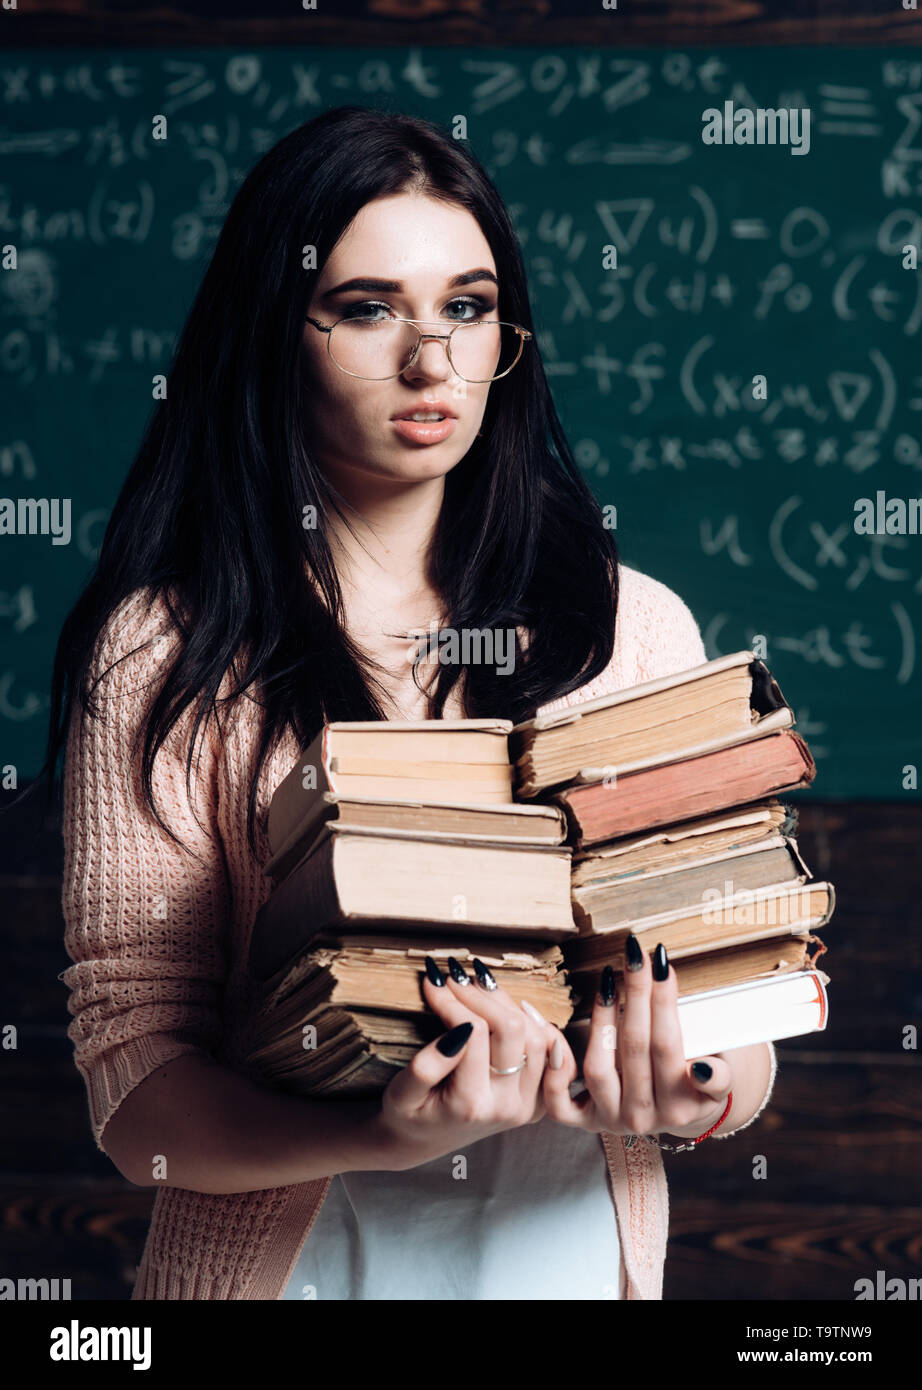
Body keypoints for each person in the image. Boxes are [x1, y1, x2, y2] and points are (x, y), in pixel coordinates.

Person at [43, 107, 776, 1301]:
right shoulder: (166, 651)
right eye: (370, 308)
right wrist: (383, 1134)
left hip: (572, 1266)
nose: (432, 360)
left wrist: (698, 1089)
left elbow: (734, 1011)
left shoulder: (636, 627)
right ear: (279, 330)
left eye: (469, 307)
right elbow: (140, 1101)